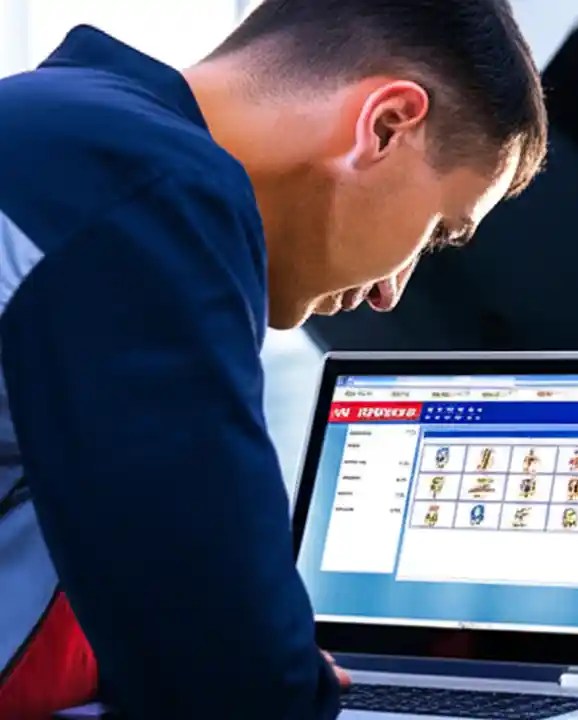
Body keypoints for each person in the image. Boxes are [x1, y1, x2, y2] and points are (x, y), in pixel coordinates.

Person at [0, 0, 546, 717]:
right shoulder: (155, 193)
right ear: (386, 125)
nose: (391, 291)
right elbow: (231, 682)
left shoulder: (60, 127)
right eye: (438, 231)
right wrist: (270, 665)